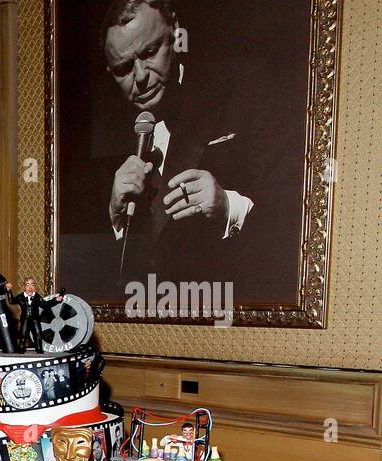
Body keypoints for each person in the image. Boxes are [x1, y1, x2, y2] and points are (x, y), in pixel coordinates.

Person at [93, 0, 303, 300]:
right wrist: (115, 217)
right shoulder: (110, 136)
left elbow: (299, 218)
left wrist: (228, 208)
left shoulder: (245, 89)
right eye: (123, 69)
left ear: (176, 34)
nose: (139, 77)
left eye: (150, 53)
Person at [5, 277, 63, 352]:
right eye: (27, 285)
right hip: (25, 319)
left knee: (38, 335)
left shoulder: (37, 296)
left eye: (32, 285)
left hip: (35, 319)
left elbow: (45, 304)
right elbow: (11, 301)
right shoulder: (20, 297)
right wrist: (9, 290)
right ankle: (21, 350)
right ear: (24, 287)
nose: (30, 287)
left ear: (35, 286)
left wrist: (56, 300)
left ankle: (39, 349)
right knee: (23, 334)